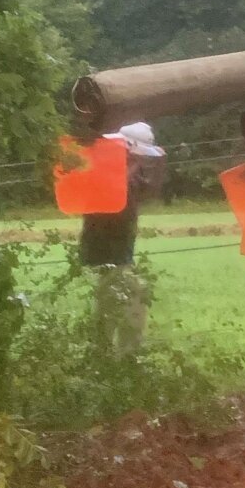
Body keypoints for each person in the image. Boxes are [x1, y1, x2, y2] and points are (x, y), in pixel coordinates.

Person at [79, 121, 166, 353]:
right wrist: (134, 163)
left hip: (120, 249)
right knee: (132, 300)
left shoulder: (130, 173)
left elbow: (150, 191)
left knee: (109, 303)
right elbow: (114, 192)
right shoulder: (106, 170)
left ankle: (102, 353)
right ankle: (126, 356)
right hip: (106, 249)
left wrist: (154, 164)